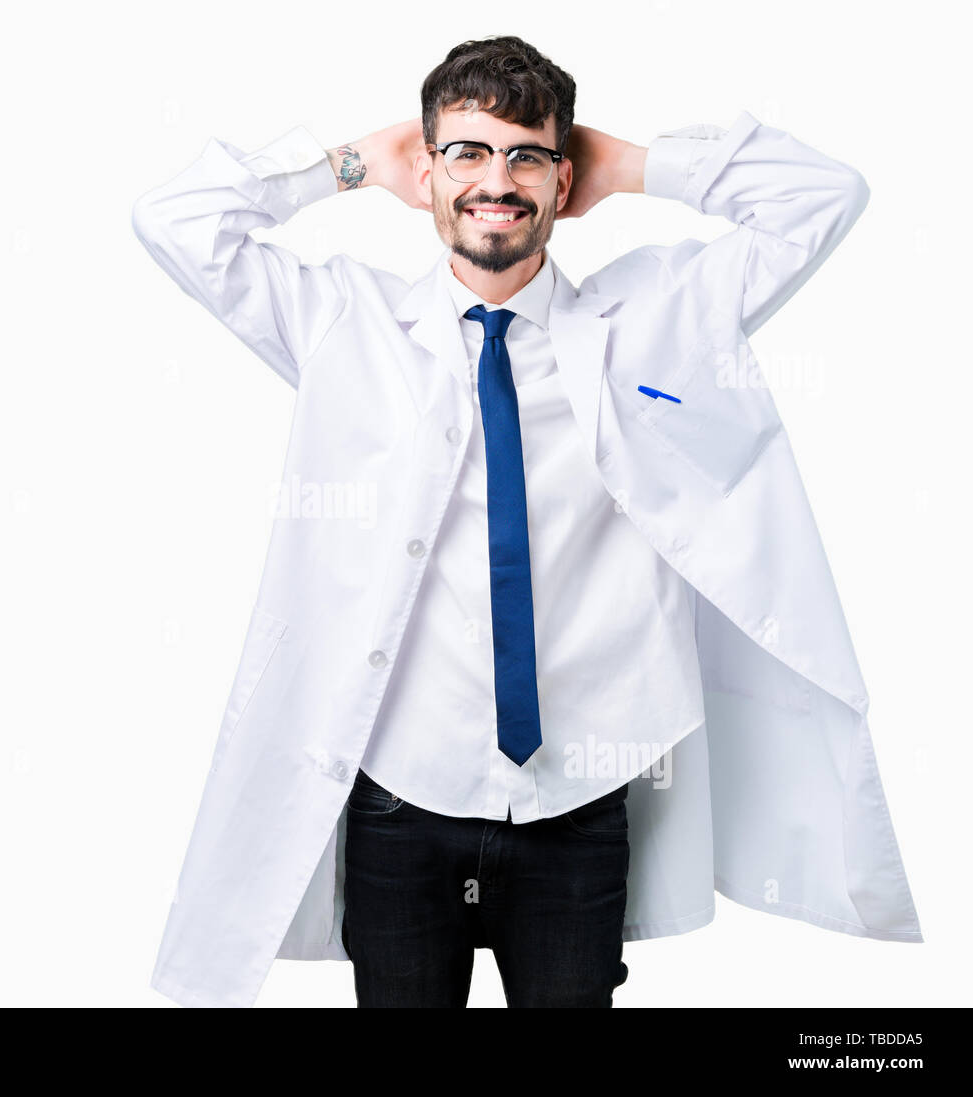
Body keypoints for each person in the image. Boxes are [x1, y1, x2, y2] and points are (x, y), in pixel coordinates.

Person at [132, 35, 922, 1009]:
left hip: (577, 807)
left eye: (524, 155)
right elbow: (175, 220)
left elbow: (821, 197)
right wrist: (340, 166)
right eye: (464, 151)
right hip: (398, 799)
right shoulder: (345, 323)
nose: (493, 180)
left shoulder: (656, 317)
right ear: (423, 172)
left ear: (561, 177)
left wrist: (631, 166)